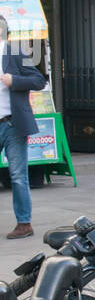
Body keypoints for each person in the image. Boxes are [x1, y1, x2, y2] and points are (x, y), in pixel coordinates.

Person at [0, 14, 47, 240]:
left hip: (12, 124)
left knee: (18, 175)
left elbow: (39, 80)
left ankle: (24, 223)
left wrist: (14, 81)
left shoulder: (15, 53)